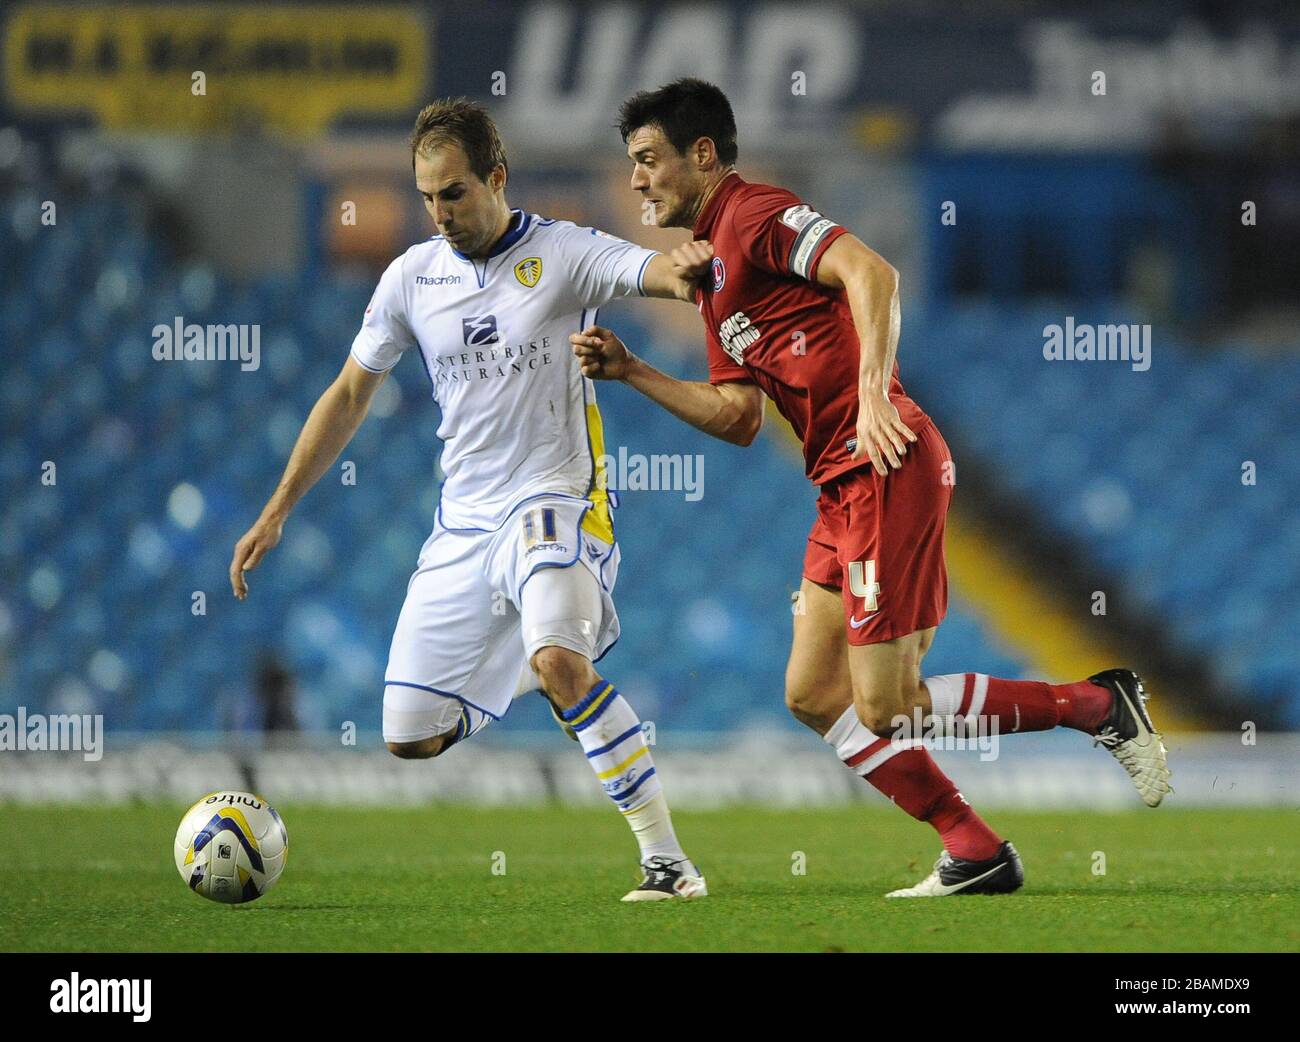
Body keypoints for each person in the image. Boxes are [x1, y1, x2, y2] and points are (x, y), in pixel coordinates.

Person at [570, 78, 1171, 897]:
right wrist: (634, 371)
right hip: (838, 488)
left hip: (882, 461)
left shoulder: (754, 213)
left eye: (648, 161)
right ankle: (975, 848)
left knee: (886, 706)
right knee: (815, 693)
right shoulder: (714, 283)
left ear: (702, 155)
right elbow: (739, 418)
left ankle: (1098, 708)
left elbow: (873, 273)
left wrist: (877, 391)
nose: (637, 180)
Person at [230, 98, 707, 902]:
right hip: (464, 524)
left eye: (454, 192)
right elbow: (350, 392)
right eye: (426, 196)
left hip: (558, 500)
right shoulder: (412, 278)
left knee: (561, 660)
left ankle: (668, 861)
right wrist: (279, 507)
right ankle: (541, 662)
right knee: (408, 737)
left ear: (497, 177)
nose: (440, 213)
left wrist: (686, 266)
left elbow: (651, 271)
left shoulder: (563, 253)